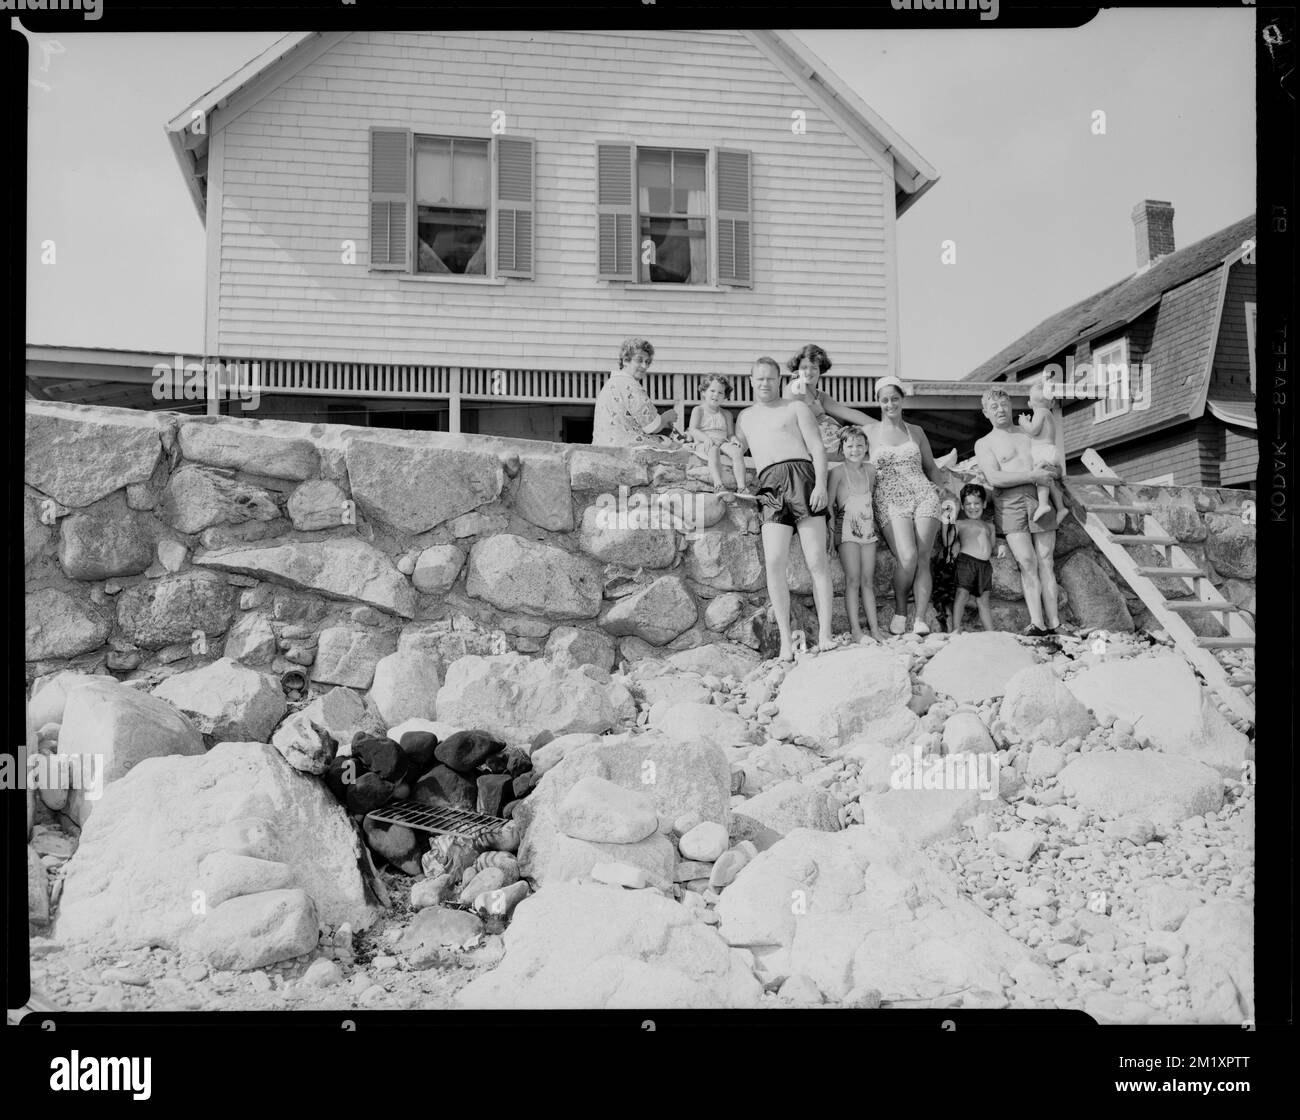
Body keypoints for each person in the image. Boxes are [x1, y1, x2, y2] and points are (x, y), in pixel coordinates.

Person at [733, 357, 834, 661]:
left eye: (770, 378)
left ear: (779, 379)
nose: (765, 383)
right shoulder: (745, 417)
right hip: (769, 484)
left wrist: (821, 486)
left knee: (817, 559)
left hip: (802, 477)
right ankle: (786, 644)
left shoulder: (795, 407)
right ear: (751, 381)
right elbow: (734, 447)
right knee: (774, 562)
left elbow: (817, 447)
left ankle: (826, 634)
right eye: (759, 378)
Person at [974, 387, 1069, 637]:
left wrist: (1051, 470)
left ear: (1011, 405)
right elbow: (994, 477)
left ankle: (1055, 623)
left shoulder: (1030, 433)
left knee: (1046, 560)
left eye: (1004, 404)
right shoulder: (984, 443)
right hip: (1009, 502)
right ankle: (1037, 623)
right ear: (986, 413)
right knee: (1027, 562)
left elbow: (1056, 465)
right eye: (993, 407)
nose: (1000, 410)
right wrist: (1031, 474)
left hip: (1041, 495)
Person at [865, 376, 954, 636]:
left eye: (894, 398)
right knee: (908, 556)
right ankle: (901, 610)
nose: (890, 404)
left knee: (924, 557)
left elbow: (931, 468)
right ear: (878, 403)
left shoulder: (916, 431)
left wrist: (943, 491)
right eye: (884, 400)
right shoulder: (870, 432)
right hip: (889, 497)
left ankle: (920, 618)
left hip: (923, 493)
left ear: (902, 399)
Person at [830, 427, 882, 642]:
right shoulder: (837, 472)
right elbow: (830, 506)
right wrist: (832, 534)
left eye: (860, 445)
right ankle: (857, 631)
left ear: (867, 447)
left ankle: (876, 630)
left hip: (868, 531)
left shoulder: (871, 471)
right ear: (842, 448)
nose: (855, 449)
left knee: (868, 581)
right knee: (853, 580)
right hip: (847, 531)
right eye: (850, 445)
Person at [591, 337, 683, 447]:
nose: (644, 366)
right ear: (625, 360)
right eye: (639, 360)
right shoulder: (629, 384)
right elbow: (652, 426)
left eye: (647, 362)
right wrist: (667, 417)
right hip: (625, 446)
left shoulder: (610, 384)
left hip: (603, 445)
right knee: (676, 447)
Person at [951, 483, 1007, 634]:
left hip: (985, 565)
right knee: (962, 594)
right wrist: (955, 540)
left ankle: (990, 632)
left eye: (976, 503)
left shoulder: (990, 526)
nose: (972, 507)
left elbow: (992, 547)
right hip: (966, 561)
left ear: (984, 504)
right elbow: (948, 540)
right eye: (968, 504)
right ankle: (956, 628)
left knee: (983, 600)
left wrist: (999, 548)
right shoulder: (960, 523)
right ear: (962, 506)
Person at [1017, 374, 1068, 526]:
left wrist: (1024, 422)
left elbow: (1033, 431)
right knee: (1049, 481)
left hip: (1043, 450)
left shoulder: (1040, 412)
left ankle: (1044, 504)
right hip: (1050, 450)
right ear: (1052, 402)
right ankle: (1061, 507)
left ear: (1030, 403)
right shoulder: (1049, 413)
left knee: (1040, 477)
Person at [687, 374, 748, 492]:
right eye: (712, 390)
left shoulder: (726, 414)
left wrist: (734, 439)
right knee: (713, 450)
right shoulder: (698, 410)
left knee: (737, 451)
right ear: (704, 392)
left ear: (725, 396)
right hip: (705, 443)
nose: (716, 395)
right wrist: (706, 439)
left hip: (722, 442)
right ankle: (718, 485)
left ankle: (742, 487)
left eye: (720, 393)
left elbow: (730, 434)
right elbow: (693, 429)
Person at [929, 496, 961, 633]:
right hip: (946, 567)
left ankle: (954, 626)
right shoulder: (948, 526)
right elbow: (947, 541)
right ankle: (948, 626)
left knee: (953, 596)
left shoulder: (960, 524)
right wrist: (947, 522)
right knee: (945, 596)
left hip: (956, 566)